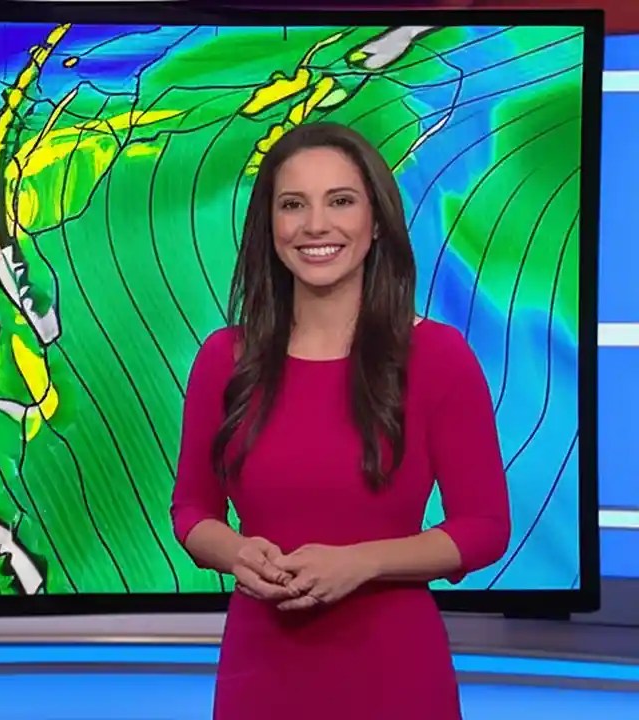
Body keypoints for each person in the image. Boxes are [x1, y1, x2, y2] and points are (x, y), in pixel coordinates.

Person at [170, 122, 511, 720]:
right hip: (261, 675)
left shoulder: (438, 358)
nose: (315, 226)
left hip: (395, 678)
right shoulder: (224, 359)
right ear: (269, 226)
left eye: (341, 201)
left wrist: (363, 562)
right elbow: (193, 510)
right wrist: (236, 553)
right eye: (293, 205)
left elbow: (484, 527)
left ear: (376, 221)